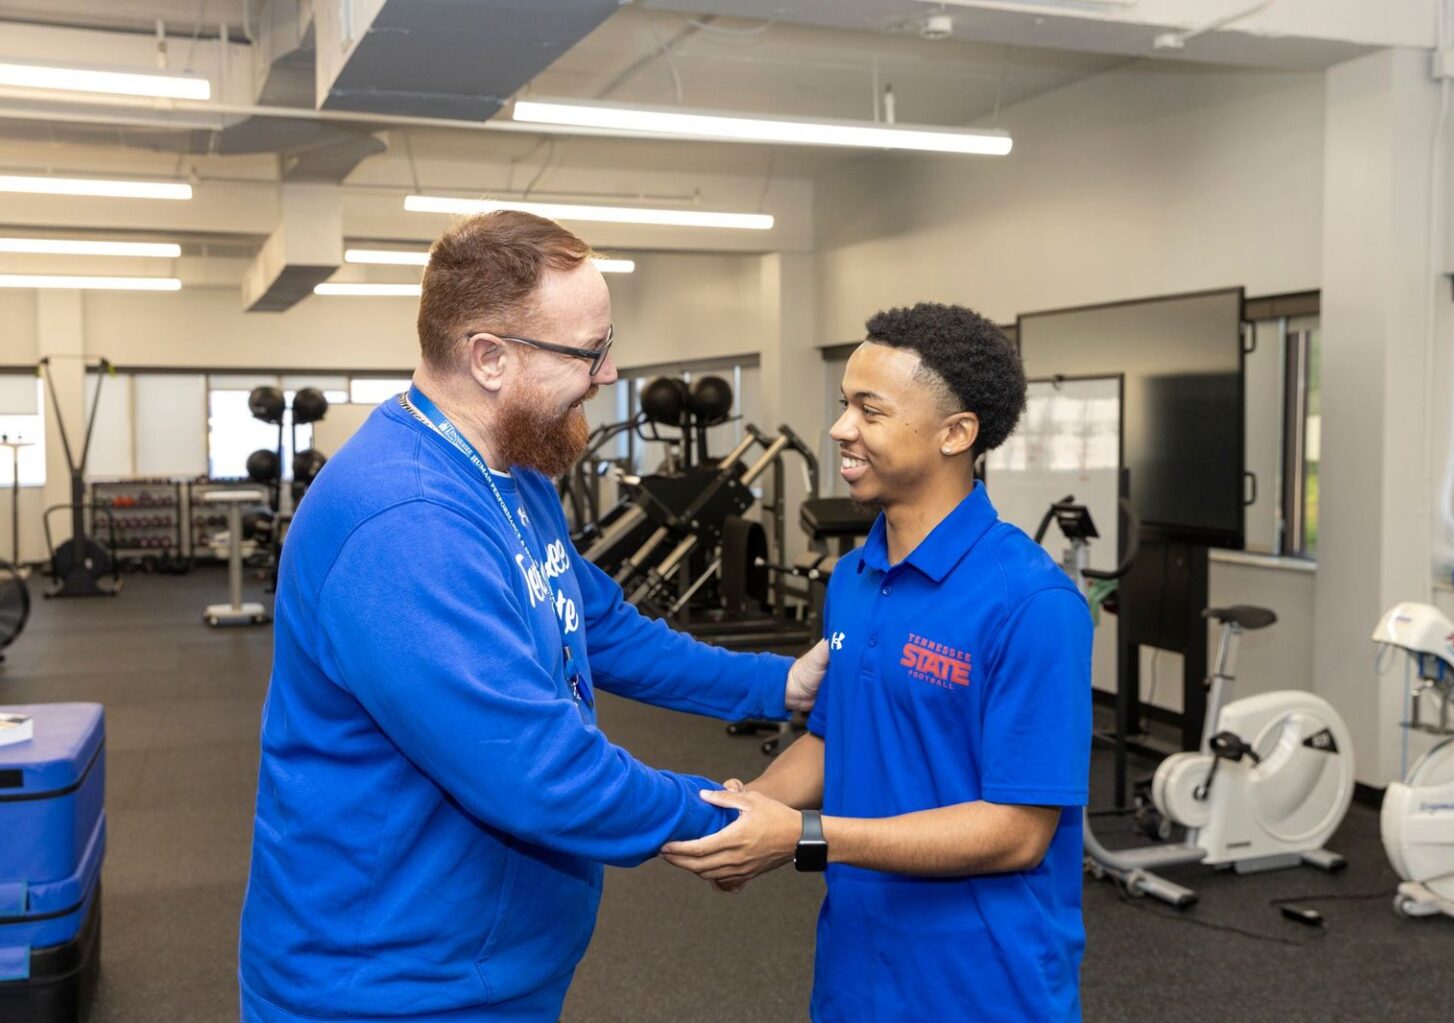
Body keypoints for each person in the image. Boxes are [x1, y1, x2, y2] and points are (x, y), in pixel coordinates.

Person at [238, 210, 827, 1023]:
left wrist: (778, 684)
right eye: (589, 351)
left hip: (496, 963)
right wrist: (725, 821)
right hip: (387, 990)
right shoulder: (405, 522)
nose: (610, 371)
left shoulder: (513, 470)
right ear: (488, 357)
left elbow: (600, 624)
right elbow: (537, 770)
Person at [662, 303, 1093, 1022]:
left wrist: (801, 836)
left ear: (956, 434)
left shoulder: (1033, 602)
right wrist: (753, 812)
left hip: (983, 985)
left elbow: (1019, 831)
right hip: (857, 966)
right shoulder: (856, 576)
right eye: (843, 405)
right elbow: (835, 740)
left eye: (870, 409)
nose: (840, 429)